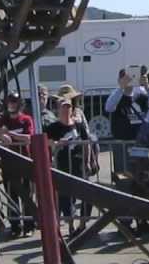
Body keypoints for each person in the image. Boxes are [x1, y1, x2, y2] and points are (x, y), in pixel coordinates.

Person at [45, 97, 97, 234]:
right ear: (58, 109)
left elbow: (87, 143)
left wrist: (88, 161)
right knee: (65, 198)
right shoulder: (53, 127)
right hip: (62, 165)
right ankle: (71, 226)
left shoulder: (78, 125)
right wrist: (57, 144)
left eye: (68, 107)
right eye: (63, 107)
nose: (66, 109)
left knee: (88, 194)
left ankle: (82, 224)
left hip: (79, 165)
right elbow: (46, 143)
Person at [0, 93, 36, 238]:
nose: (11, 104)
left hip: (24, 162)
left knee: (27, 195)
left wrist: (10, 134)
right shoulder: (1, 120)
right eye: (10, 101)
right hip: (8, 163)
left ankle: (29, 226)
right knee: (11, 195)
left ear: (19, 103)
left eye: (14, 101)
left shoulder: (26, 120)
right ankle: (15, 226)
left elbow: (28, 138)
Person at [105, 69, 149, 142]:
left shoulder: (142, 93)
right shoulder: (116, 94)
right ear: (118, 80)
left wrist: (147, 85)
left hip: (141, 139)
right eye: (124, 78)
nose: (128, 80)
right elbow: (108, 108)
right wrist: (121, 88)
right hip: (122, 140)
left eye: (132, 76)